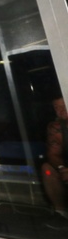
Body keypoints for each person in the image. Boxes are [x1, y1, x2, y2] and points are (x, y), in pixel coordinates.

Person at [43, 97, 68, 229]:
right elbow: (53, 154)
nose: (61, 110)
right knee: (47, 169)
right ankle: (62, 214)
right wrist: (61, 168)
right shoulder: (57, 128)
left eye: (63, 105)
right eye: (56, 107)